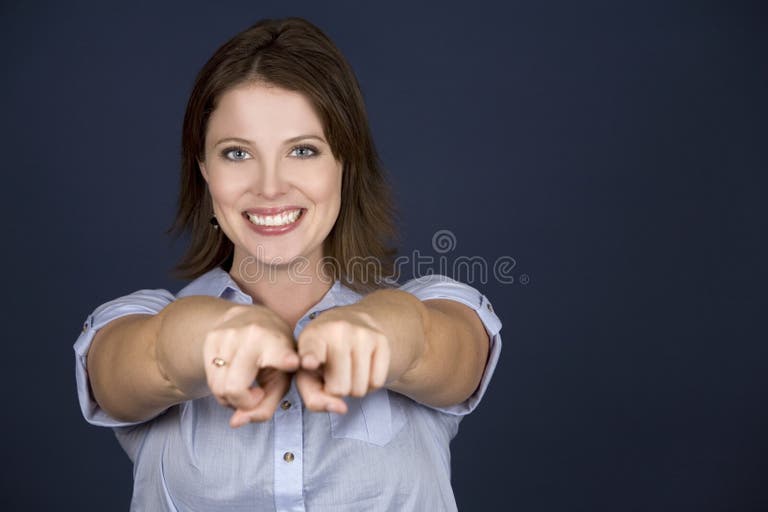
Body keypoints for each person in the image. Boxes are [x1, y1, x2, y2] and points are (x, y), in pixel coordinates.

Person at [74, 17, 502, 512]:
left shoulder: (430, 304)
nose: (270, 186)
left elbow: (437, 347)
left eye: (303, 150)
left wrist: (377, 331)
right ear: (205, 170)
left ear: (345, 163)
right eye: (237, 153)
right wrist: (210, 336)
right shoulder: (139, 319)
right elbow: (138, 364)